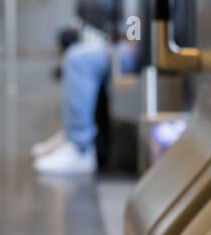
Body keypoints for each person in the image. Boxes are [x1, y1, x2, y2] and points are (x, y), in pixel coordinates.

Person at [32, 25, 139, 175]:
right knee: (78, 53)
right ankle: (69, 134)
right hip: (124, 45)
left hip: (135, 49)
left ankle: (80, 148)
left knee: (77, 58)